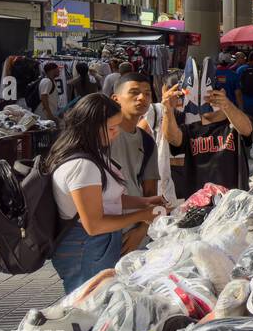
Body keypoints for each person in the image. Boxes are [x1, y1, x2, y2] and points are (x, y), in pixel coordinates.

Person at [45, 94, 166, 294]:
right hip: (86, 248)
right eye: (111, 128)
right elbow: (94, 224)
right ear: (90, 127)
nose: (116, 133)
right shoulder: (82, 166)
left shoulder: (89, 154)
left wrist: (144, 202)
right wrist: (143, 215)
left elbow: (105, 199)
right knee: (90, 309)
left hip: (93, 246)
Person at [161, 81, 253, 198]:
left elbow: (246, 129)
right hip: (199, 205)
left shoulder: (235, 124)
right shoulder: (190, 130)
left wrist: (226, 104)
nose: (206, 101)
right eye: (200, 98)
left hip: (234, 201)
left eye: (210, 95)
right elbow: (173, 139)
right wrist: (167, 110)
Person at [109, 72, 163, 254]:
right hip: (100, 231)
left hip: (133, 232)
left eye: (147, 93)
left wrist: (141, 230)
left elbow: (150, 193)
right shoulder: (101, 135)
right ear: (115, 99)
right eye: (134, 92)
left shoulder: (147, 142)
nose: (142, 97)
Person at [138, 70, 181, 206]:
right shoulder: (156, 110)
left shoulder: (197, 111)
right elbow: (137, 137)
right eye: (174, 90)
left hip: (189, 177)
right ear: (164, 89)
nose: (179, 97)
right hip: (162, 179)